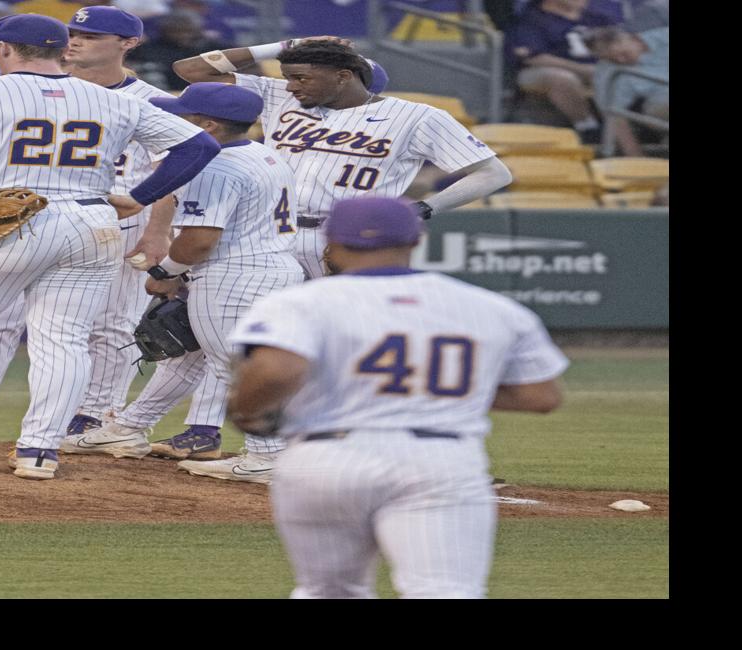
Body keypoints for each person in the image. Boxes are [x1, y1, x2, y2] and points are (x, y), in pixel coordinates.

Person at [0, 13, 219, 478]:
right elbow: (199, 147)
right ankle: (39, 451)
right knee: (64, 339)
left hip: (12, 218)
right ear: (61, 50)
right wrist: (139, 198)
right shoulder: (108, 99)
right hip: (93, 221)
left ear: (5, 49)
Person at [227, 196, 568, 598]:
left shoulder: (299, 302)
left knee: (328, 590)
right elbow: (540, 395)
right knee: (443, 590)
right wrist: (428, 389)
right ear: (416, 239)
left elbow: (276, 371)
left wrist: (244, 410)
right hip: (439, 460)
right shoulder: (489, 306)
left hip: (324, 458)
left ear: (331, 242)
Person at [62, 82, 303, 485]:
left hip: (235, 276)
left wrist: (165, 273)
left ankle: (266, 455)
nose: (171, 120)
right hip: (266, 268)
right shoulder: (261, 153)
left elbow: (200, 240)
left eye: (182, 115)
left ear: (208, 125)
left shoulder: (215, 165)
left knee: (235, 366)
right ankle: (127, 428)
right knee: (188, 358)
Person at [172, 38, 512, 281]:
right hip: (268, 234)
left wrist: (422, 209)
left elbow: (493, 173)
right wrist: (284, 46)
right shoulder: (280, 95)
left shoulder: (416, 117)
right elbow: (191, 71)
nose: (290, 86)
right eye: (288, 76)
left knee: (343, 336)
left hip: (345, 238)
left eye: (300, 77)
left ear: (343, 76)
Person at [504, 0, 621, 139]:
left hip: (597, 71)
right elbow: (533, 57)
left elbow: (621, 44)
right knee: (562, 77)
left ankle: (624, 135)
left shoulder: (597, 18)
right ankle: (588, 128)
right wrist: (582, 69)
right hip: (542, 71)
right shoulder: (531, 19)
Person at [586, 24, 667, 157]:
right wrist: (636, 157)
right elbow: (614, 115)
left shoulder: (663, 36)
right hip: (661, 105)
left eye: (622, 54)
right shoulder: (610, 71)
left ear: (630, 38)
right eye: (612, 59)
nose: (620, 61)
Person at [128, 9, 229, 91]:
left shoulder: (214, 47)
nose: (183, 35)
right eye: (176, 31)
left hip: (205, 94)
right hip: (163, 93)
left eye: (188, 31)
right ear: (164, 30)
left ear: (198, 30)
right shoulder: (147, 49)